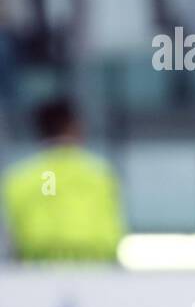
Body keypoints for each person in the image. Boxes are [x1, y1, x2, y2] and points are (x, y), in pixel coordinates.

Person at [1, 99, 125, 262]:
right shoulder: (100, 175)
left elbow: (10, 238)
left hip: (34, 273)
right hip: (96, 269)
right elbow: (113, 232)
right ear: (75, 127)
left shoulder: (18, 179)